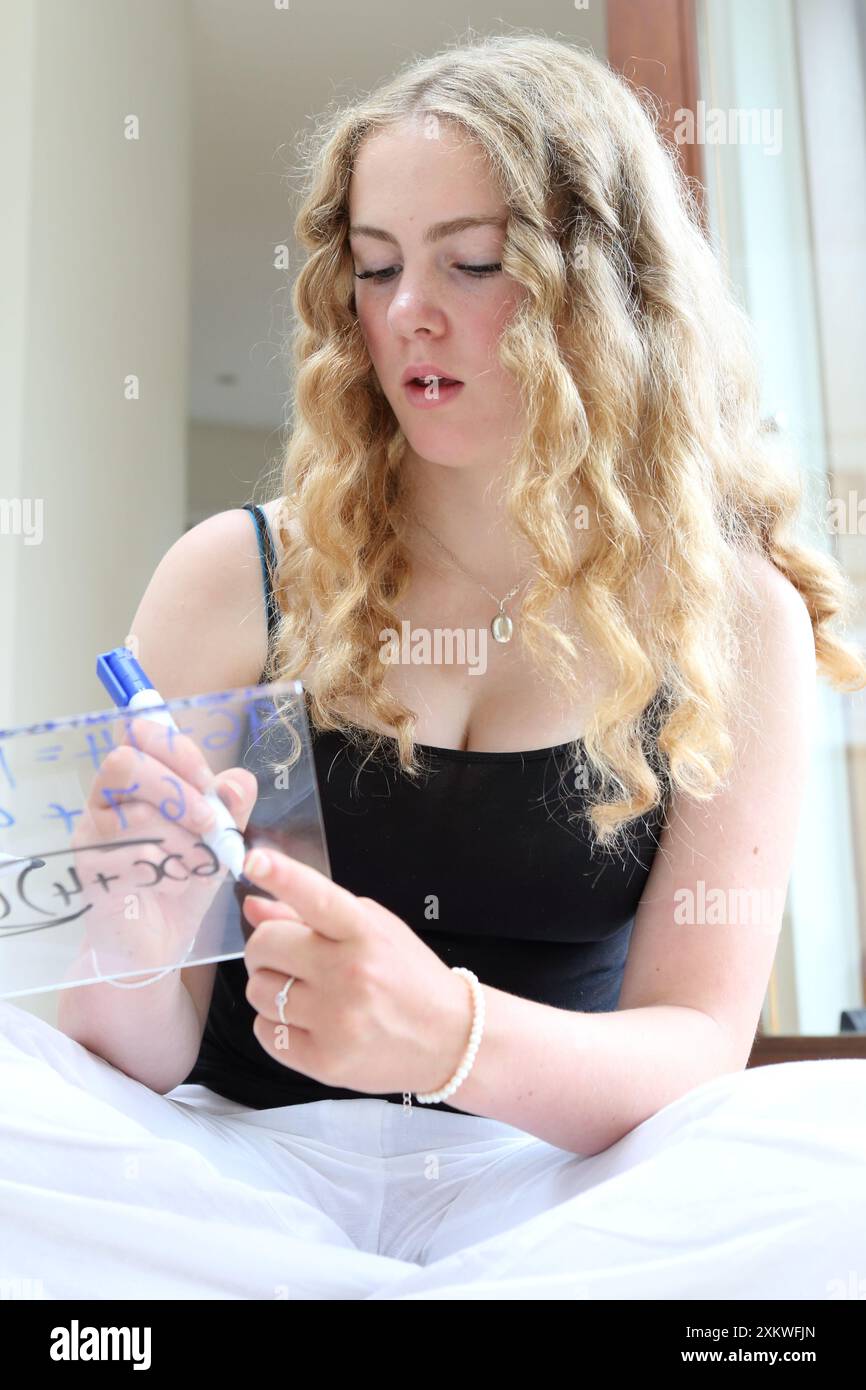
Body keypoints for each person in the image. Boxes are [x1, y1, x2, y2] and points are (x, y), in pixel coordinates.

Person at [2, 32, 865, 1301]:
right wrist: (132, 921)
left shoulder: (730, 615)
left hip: (554, 1193)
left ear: (602, 288)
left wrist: (447, 1036)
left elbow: (696, 1046)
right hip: (237, 1177)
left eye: (471, 262)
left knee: (837, 1158)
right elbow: (130, 1057)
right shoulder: (233, 575)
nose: (409, 309)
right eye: (374, 266)